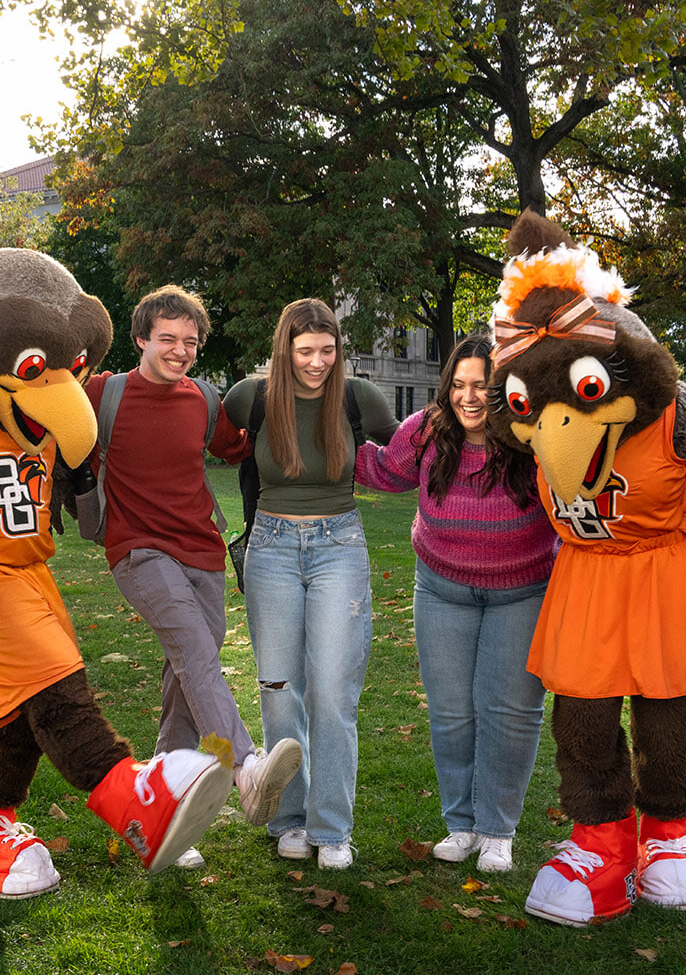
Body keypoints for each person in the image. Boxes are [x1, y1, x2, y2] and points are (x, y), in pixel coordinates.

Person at [80, 286, 303, 860]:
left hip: (202, 554)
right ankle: (246, 768)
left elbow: (241, 449)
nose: (179, 350)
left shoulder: (204, 400)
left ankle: (161, 809)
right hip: (138, 550)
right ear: (140, 339)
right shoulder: (103, 394)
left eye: (189, 341)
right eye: (167, 339)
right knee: (197, 655)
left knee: (184, 679)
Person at [354, 334, 558, 873]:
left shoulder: (530, 436)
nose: (470, 398)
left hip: (522, 593)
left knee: (509, 712)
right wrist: (315, 433)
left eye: (483, 387)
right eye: (460, 385)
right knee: (450, 715)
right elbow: (382, 470)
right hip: (442, 591)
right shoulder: (425, 431)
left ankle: (496, 831)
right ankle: (461, 825)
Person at [223, 300, 395, 870]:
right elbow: (203, 439)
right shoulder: (250, 395)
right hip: (270, 547)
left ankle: (332, 828)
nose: (317, 362)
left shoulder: (358, 397)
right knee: (278, 691)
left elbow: (406, 453)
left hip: (338, 547)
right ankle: (288, 818)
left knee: (331, 694)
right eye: (305, 351)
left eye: (327, 351)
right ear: (284, 350)